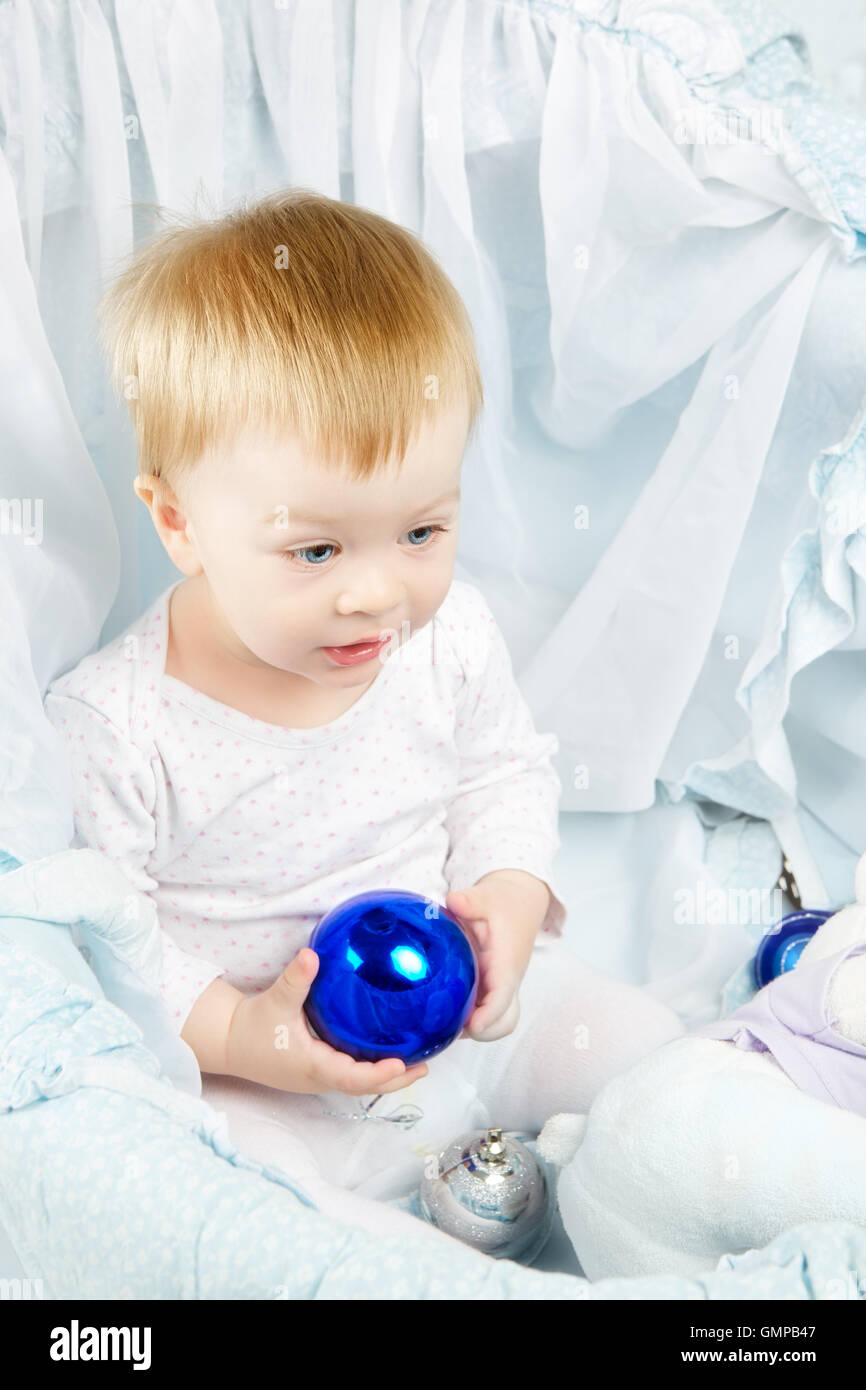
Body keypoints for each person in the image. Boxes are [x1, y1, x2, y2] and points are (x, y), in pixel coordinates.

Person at [44, 188, 683, 1197]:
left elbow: (500, 776)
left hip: (454, 1016)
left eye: (421, 531)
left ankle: (700, 1180)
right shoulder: (118, 724)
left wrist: (506, 909)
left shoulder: (446, 639)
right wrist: (242, 1035)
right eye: (316, 548)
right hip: (257, 1077)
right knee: (247, 1205)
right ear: (178, 524)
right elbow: (112, 943)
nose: (380, 591)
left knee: (651, 1061)